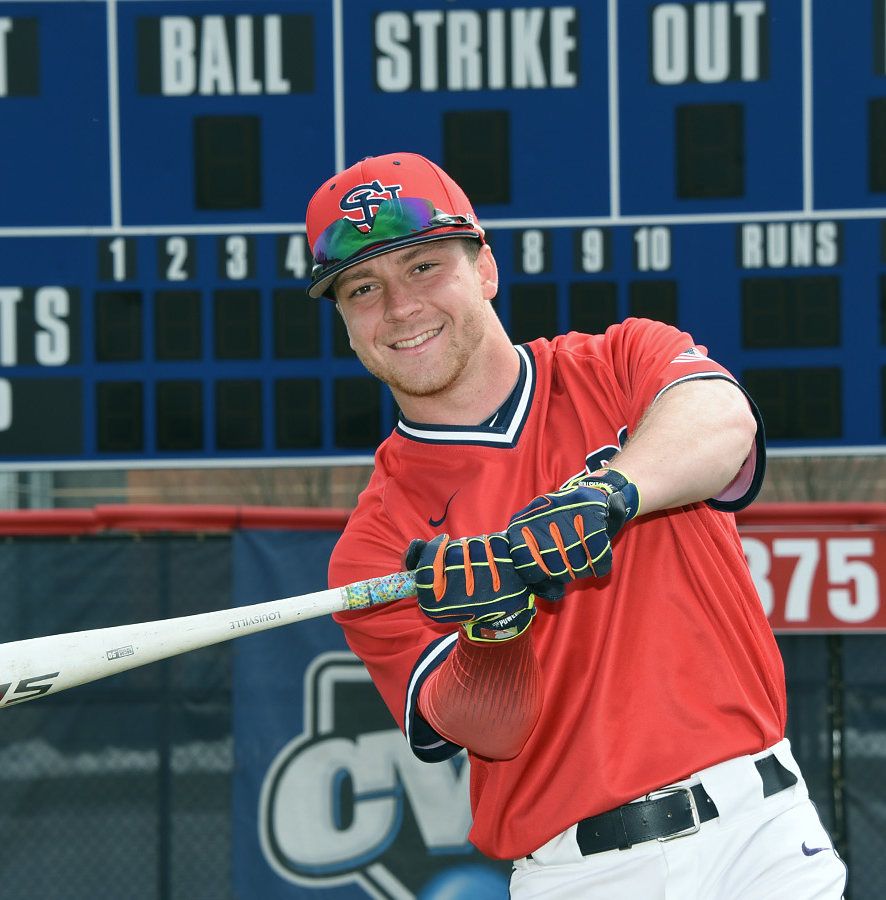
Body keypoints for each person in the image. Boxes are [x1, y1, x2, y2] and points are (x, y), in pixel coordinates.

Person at [306, 152, 847, 899]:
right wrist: (491, 637)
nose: (400, 307)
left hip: (761, 836)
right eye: (363, 288)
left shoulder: (621, 362)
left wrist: (609, 494)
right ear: (344, 318)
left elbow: (725, 421)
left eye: (425, 267)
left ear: (485, 269)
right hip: (586, 874)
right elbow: (487, 732)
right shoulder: (375, 546)